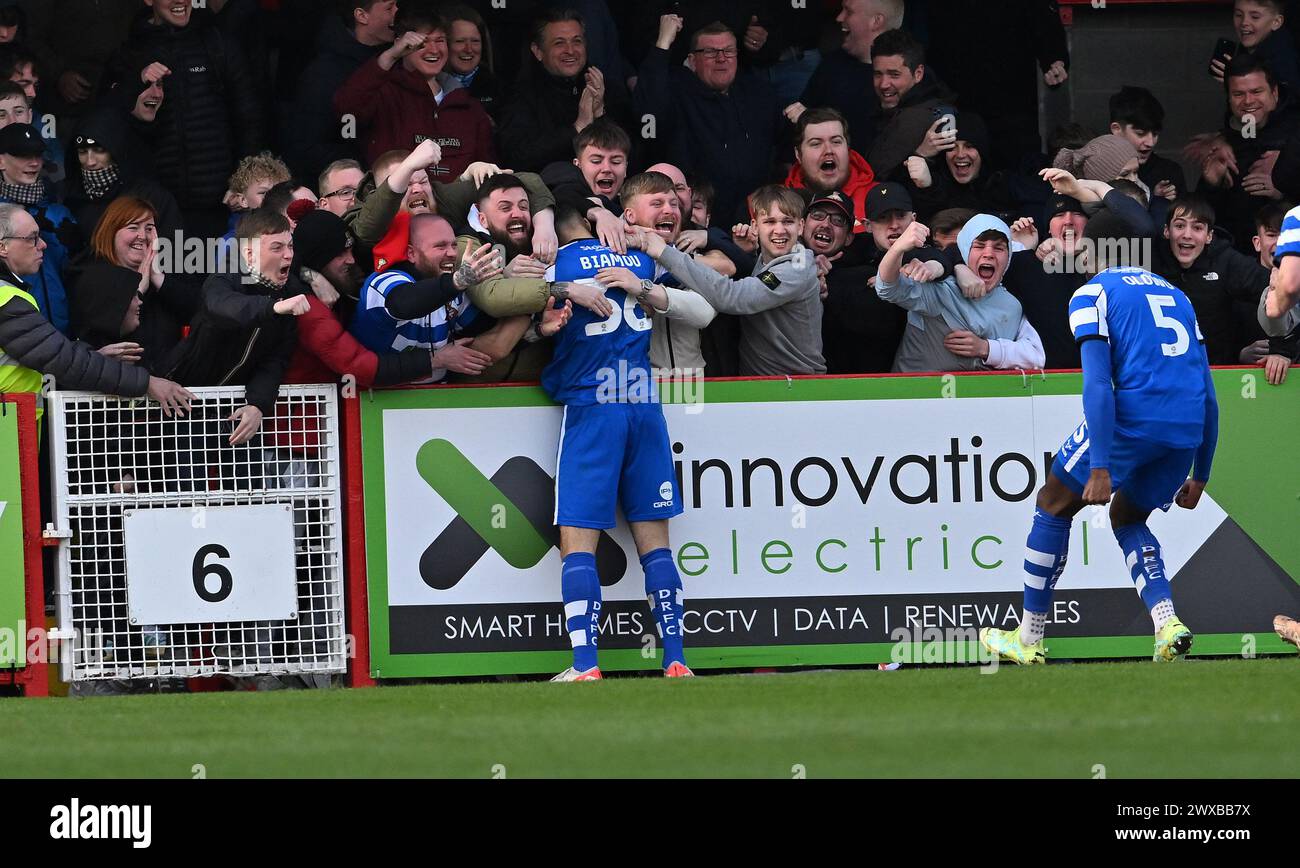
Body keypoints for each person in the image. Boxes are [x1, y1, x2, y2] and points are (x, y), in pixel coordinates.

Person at [980, 222, 1220, 665]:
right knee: (1128, 517)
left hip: (1132, 420)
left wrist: (1100, 466)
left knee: (1052, 503)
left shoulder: (1092, 293)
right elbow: (1207, 390)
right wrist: (1201, 473)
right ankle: (1167, 623)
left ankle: (1028, 639)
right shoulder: (1176, 296)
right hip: (1185, 427)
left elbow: (1097, 384)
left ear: (1091, 251)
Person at [539, 209, 691, 682]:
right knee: (657, 547)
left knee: (577, 543)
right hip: (643, 404)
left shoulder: (557, 265)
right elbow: (704, 296)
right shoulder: (637, 258)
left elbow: (508, 304)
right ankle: (675, 658)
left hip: (592, 407)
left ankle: (586, 664)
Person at [0, 202, 192, 424]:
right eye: (32, 238)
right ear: (3, 247)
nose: (43, 244)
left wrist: (95, 356)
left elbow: (54, 360)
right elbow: (62, 361)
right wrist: (147, 383)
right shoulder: (6, 298)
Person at [629, 185, 823, 376]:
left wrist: (665, 253)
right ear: (755, 227)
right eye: (770, 222)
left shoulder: (797, 267)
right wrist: (740, 252)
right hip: (765, 387)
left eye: (787, 221)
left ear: (801, 227)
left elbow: (735, 297)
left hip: (797, 390)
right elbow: (756, 282)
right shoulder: (767, 260)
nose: (779, 230)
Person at [158, 208, 310, 447]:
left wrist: (258, 405)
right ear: (249, 254)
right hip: (181, 402)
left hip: (234, 409)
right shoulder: (225, 277)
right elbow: (222, 307)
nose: (288, 255)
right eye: (277, 247)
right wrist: (273, 308)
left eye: (290, 246)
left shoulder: (289, 292)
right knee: (186, 481)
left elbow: (275, 359)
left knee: (250, 481)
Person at [121, 0, 265, 240]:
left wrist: (242, 183)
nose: (181, 1)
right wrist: (138, 84)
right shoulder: (132, 51)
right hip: (158, 211)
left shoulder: (218, 43)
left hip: (221, 205)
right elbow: (119, 127)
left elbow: (249, 119)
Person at [635, 16, 782, 227]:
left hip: (753, 220)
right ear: (693, 61)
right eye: (711, 52)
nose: (721, 58)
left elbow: (784, 144)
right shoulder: (677, 91)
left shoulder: (758, 94)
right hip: (697, 222)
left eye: (729, 51)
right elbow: (648, 113)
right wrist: (663, 44)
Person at [333, 6, 495, 179]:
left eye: (440, 40)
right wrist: (390, 56)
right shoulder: (382, 94)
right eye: (421, 43)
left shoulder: (468, 105)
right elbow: (346, 110)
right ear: (400, 45)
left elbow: (489, 167)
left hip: (460, 204)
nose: (433, 50)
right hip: (399, 202)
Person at [876, 214, 1046, 373]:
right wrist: (898, 249)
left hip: (980, 400)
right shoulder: (941, 290)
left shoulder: (1012, 305)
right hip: (913, 397)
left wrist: (985, 348)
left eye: (999, 248)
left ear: (1008, 257)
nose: (989, 254)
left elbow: (1035, 357)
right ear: (964, 251)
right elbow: (888, 288)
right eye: (979, 246)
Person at [67, 195, 196, 373]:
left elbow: (197, 311)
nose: (142, 236)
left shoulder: (166, 278)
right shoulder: (92, 276)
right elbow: (112, 327)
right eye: (133, 227)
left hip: (170, 387)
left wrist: (158, 278)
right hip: (114, 390)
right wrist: (139, 288)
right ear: (111, 232)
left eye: (149, 228)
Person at [497, 8, 629, 173]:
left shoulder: (607, 89)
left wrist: (601, 115)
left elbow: (631, 157)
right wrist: (577, 128)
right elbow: (516, 158)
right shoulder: (521, 96)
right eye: (559, 43)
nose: (570, 50)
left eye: (577, 41)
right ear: (538, 51)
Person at [284, 0, 395, 180]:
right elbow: (309, 144)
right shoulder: (325, 72)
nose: (397, 13)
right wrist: (361, 169)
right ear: (361, 16)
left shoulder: (401, 60)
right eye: (389, 8)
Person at [789, 0, 902, 146]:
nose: (839, 18)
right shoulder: (832, 65)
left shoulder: (912, 77)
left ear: (876, 21)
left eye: (848, 11)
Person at [0, 123, 77, 334]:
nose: (34, 163)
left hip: (64, 334)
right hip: (15, 334)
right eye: (22, 155)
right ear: (1, 160)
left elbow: (77, 277)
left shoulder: (60, 214)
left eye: (38, 155)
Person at [866, 28, 955, 182]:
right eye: (878, 74)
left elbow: (876, 178)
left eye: (894, 75)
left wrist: (920, 155)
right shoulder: (924, 104)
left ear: (918, 74)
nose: (883, 84)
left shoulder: (913, 120)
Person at [783, 107, 877, 235]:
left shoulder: (881, 200)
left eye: (836, 142)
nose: (828, 150)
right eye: (816, 144)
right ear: (798, 155)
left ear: (848, 150)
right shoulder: (770, 203)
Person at [1109, 86, 1185, 205]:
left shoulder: (1169, 173)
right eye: (1141, 133)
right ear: (1117, 129)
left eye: (1155, 134)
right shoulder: (1097, 169)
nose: (1150, 142)